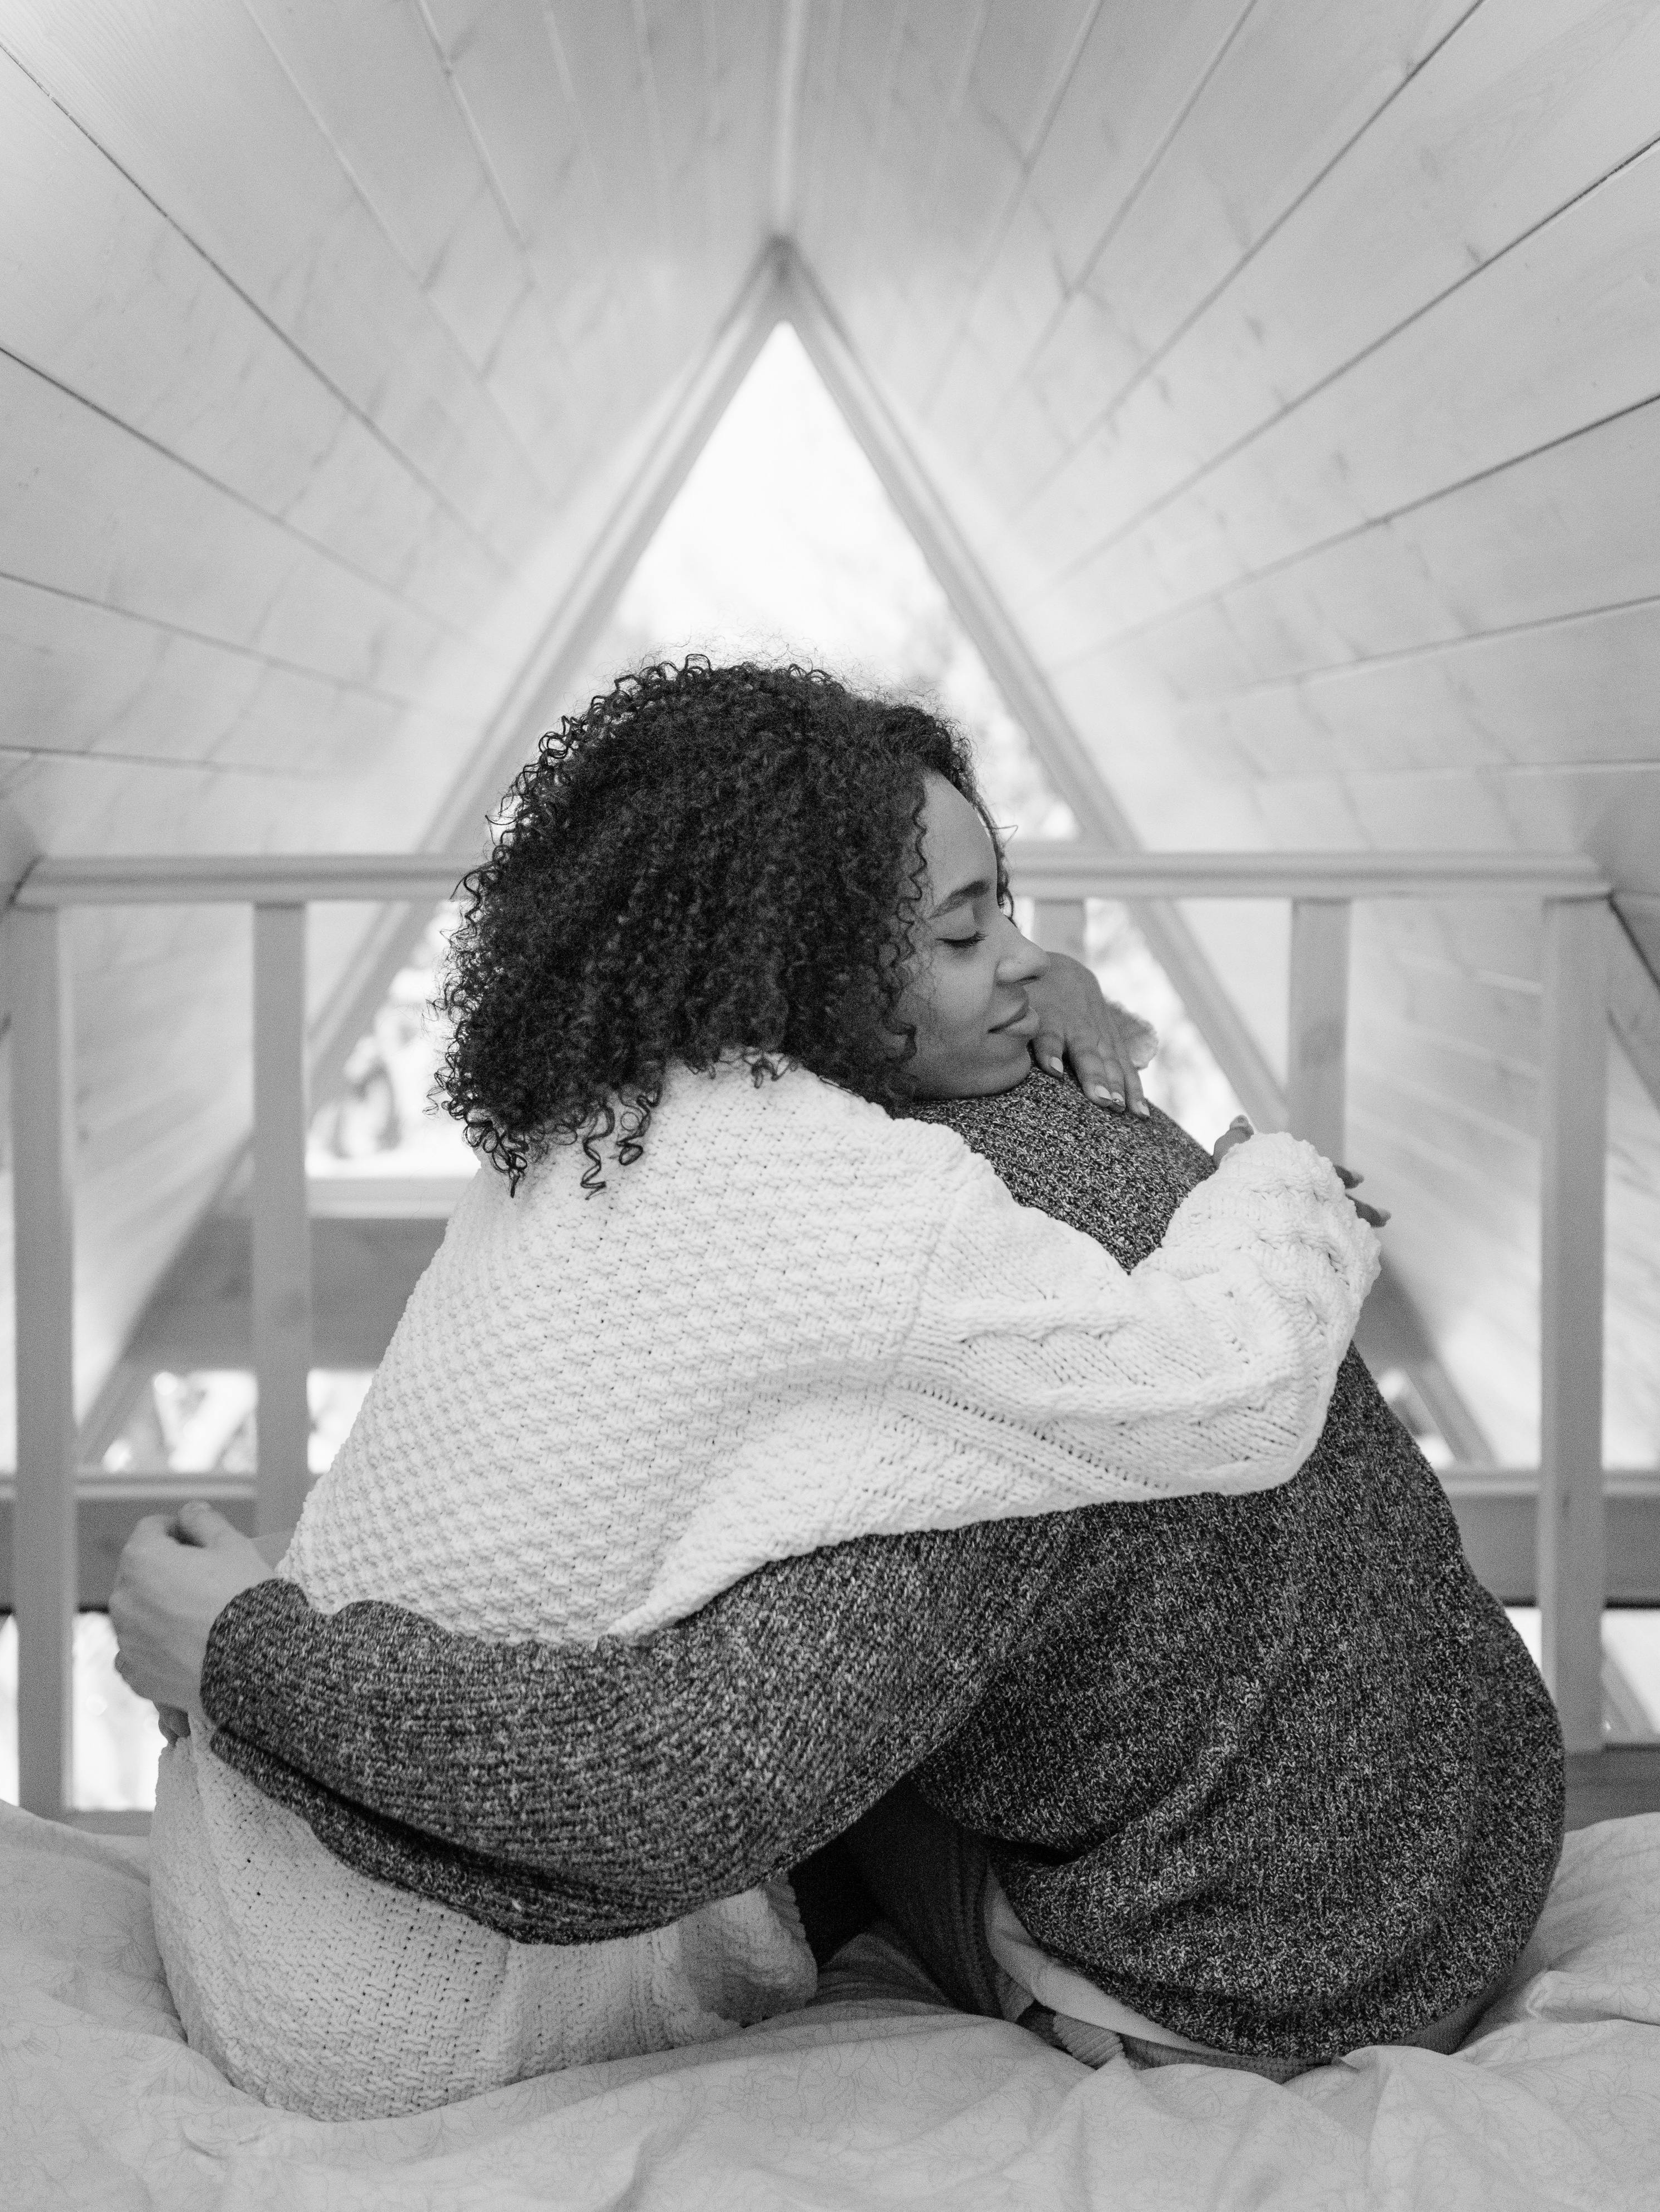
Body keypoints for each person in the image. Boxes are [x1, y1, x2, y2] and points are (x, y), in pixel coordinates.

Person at [138, 661, 1376, 2118]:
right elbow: (1241, 1392)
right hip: (416, 2008)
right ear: (809, 962)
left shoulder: (587, 1118)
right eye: (969, 928)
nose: (1024, 959)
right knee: (842, 1720)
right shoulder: (857, 1205)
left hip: (237, 1880)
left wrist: (1040, 990)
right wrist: (1279, 1181)